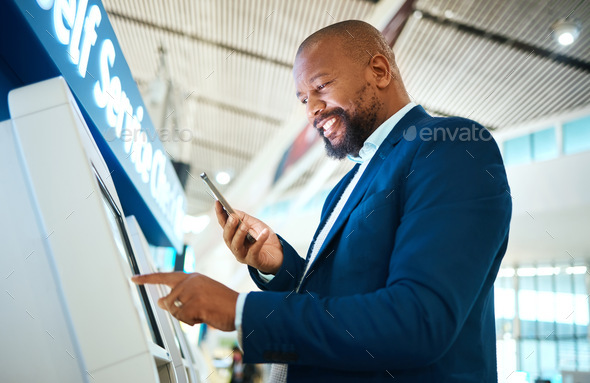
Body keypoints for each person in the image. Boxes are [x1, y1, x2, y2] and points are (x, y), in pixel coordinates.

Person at [133, 20, 512, 382]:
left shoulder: (450, 145)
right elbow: (343, 299)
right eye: (303, 98)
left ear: (379, 71)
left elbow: (418, 320)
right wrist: (279, 265)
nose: (312, 109)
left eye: (322, 86)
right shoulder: (347, 186)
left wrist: (239, 310)